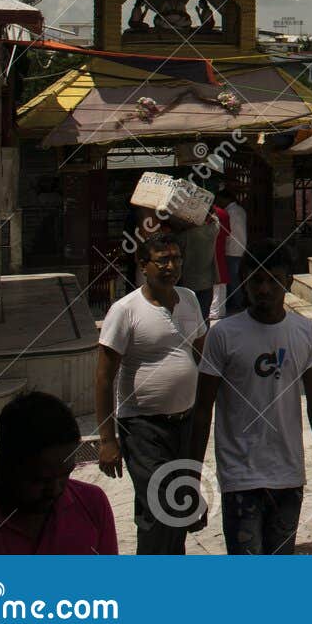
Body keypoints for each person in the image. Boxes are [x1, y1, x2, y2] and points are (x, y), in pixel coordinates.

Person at [189, 241, 312, 554]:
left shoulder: (306, 332)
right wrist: (190, 478)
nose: (264, 289)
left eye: (273, 280)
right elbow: (202, 410)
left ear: (288, 282)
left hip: (287, 473)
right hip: (240, 476)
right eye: (256, 280)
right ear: (244, 281)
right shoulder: (223, 335)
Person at [95, 233, 205, 554]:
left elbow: (201, 355)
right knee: (161, 503)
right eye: (163, 261)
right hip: (143, 427)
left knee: (178, 502)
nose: (171, 267)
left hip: (184, 422)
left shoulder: (189, 300)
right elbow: (103, 378)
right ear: (144, 266)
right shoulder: (125, 310)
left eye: (176, 260)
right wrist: (107, 439)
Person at [0, 391, 117, 554]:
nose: (55, 490)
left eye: (65, 474)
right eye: (40, 480)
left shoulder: (93, 504)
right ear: (4, 465)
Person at [175, 198, 220, 321]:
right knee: (203, 317)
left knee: (188, 319)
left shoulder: (184, 236)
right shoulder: (213, 229)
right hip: (207, 281)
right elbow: (215, 219)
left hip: (188, 282)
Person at [214, 189, 247, 313]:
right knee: (235, 278)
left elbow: (227, 233)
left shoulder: (229, 212)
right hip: (239, 248)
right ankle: (237, 303)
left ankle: (238, 304)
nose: (219, 202)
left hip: (231, 250)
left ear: (225, 199)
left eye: (220, 199)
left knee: (233, 279)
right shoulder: (240, 210)